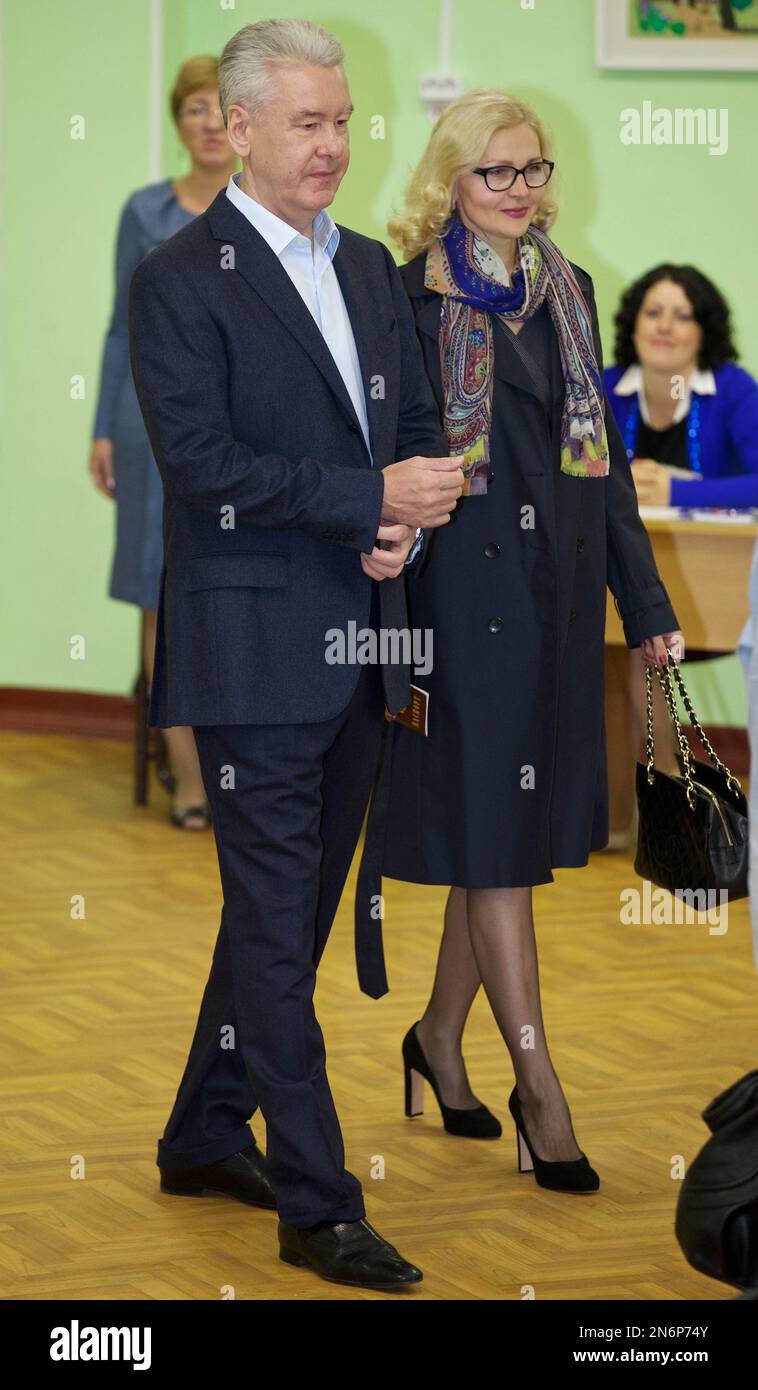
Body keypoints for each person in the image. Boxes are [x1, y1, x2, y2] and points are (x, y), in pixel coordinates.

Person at [127, 18, 464, 1290]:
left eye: (341, 122)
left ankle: (204, 1129)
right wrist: (360, 496)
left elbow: (417, 425)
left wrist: (404, 515)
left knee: (285, 919)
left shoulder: (375, 268)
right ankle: (317, 1204)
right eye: (308, 124)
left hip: (359, 632)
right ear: (238, 125)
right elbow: (202, 469)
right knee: (276, 929)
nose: (331, 145)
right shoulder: (180, 277)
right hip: (249, 647)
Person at [356, 88, 683, 1194]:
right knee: (495, 847)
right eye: (494, 171)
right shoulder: (401, 299)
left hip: (554, 600)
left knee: (496, 839)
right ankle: (539, 1087)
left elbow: (604, 475)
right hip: (456, 611)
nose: (518, 190)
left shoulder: (570, 291)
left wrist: (644, 612)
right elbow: (380, 467)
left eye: (532, 168)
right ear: (446, 181)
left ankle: (437, 1040)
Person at [89, 56, 239, 829]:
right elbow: (121, 326)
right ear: (178, 122)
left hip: (244, 437)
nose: (209, 123)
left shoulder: (264, 206)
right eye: (193, 109)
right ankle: (189, 781)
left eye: (221, 107)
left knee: (233, 595)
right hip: (150, 434)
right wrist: (103, 429)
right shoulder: (144, 211)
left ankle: (245, 772)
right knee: (159, 600)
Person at [604, 265, 758, 828]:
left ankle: (670, 803)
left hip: (713, 585)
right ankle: (619, 814)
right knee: (611, 641)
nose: (665, 326)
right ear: (633, 322)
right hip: (621, 577)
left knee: (645, 640)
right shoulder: (605, 384)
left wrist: (681, 486)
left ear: (704, 330)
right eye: (653, 311)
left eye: (682, 314)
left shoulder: (732, 390)